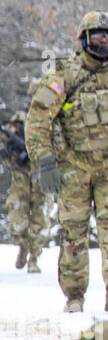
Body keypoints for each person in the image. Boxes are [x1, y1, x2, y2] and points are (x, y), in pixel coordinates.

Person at [25, 12, 108, 313]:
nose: (103, 40)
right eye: (97, 35)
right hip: (74, 164)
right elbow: (37, 119)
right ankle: (74, 295)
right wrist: (46, 162)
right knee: (74, 230)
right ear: (84, 39)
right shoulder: (65, 75)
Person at [2, 111, 46, 272]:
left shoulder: (41, 130)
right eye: (16, 125)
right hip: (20, 183)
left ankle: (33, 259)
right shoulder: (9, 138)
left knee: (38, 221)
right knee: (16, 221)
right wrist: (7, 152)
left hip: (39, 179)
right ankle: (23, 245)